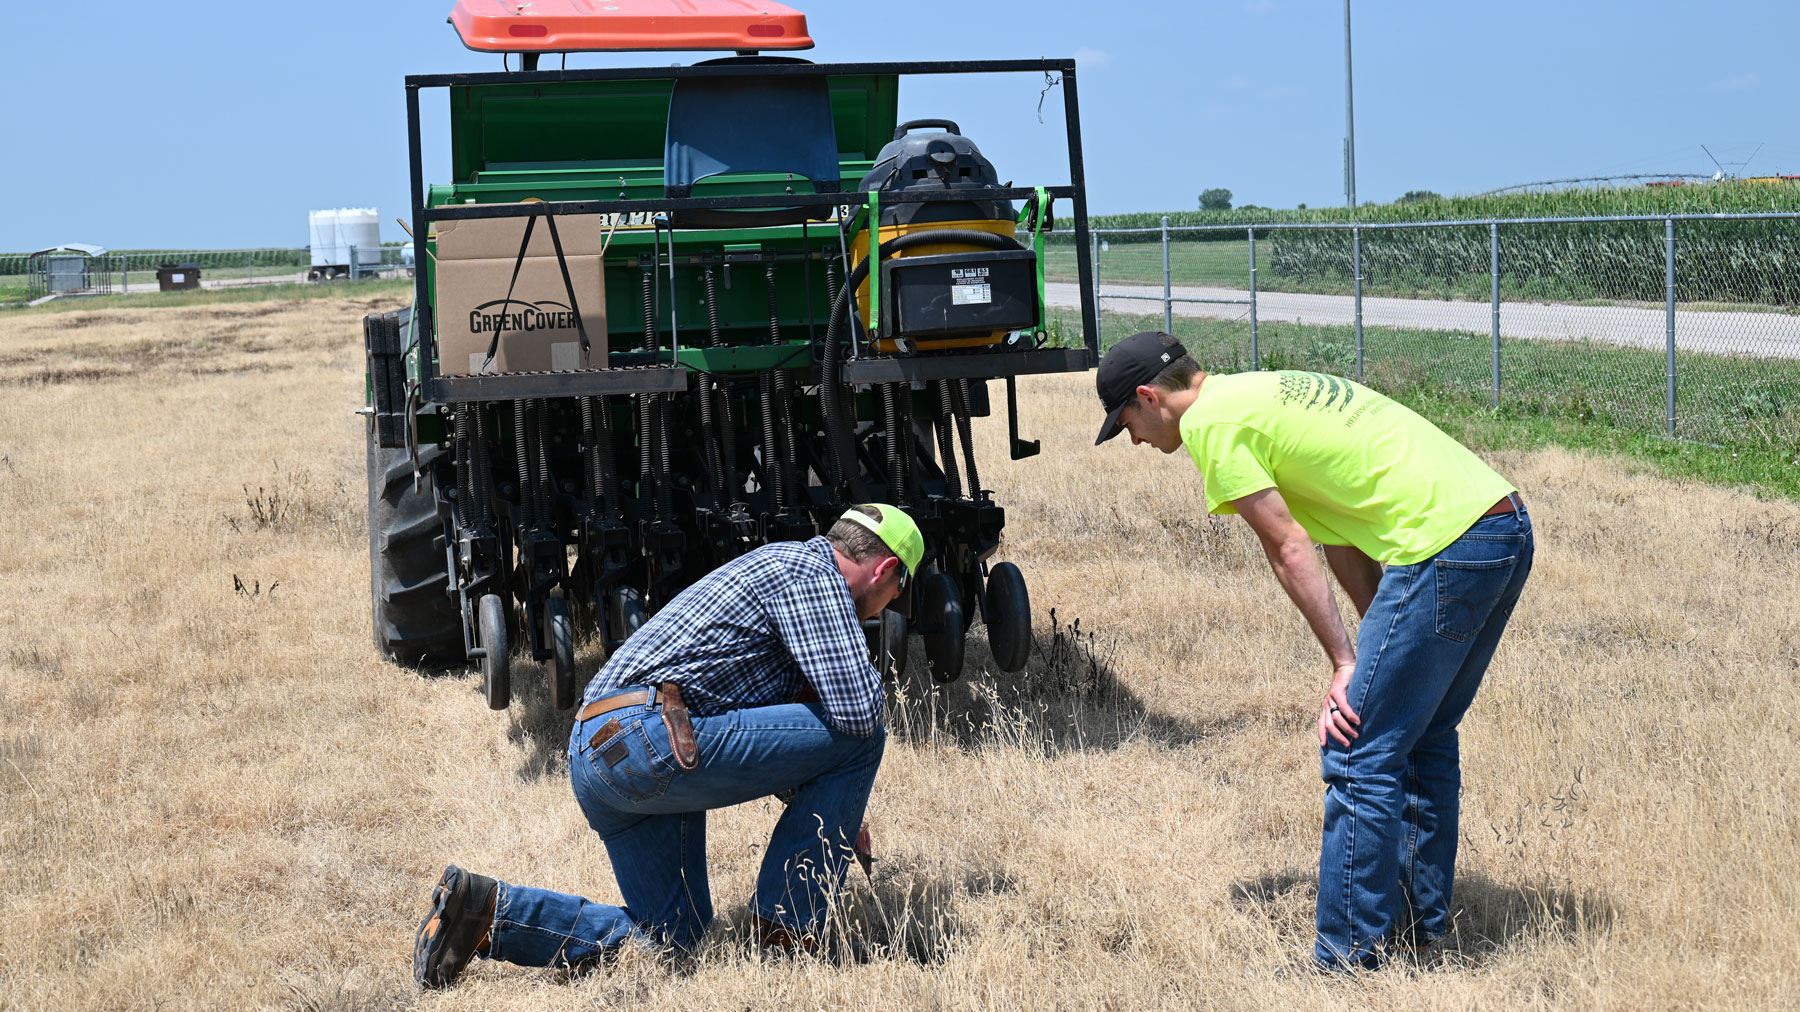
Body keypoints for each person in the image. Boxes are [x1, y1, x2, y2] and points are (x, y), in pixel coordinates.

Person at [1093, 332, 1535, 970]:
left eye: (1125, 422)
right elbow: (1340, 537)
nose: (1132, 439)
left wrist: (1347, 665)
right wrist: (1380, 650)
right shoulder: (1257, 393)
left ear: (1148, 397)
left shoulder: (1211, 425)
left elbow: (1288, 547)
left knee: (1357, 747)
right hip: (1501, 524)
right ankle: (1417, 932)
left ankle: (1349, 960)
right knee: (1420, 733)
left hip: (1445, 543)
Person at [413, 503, 925, 988]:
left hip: (600, 755)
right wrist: (842, 781)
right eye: (900, 586)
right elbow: (859, 713)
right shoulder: (812, 576)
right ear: (884, 571)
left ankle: (486, 913)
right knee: (865, 738)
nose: (892, 601)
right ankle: (789, 932)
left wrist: (836, 807)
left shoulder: (782, 566)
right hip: (649, 738)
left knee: (673, 941)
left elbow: (770, 736)